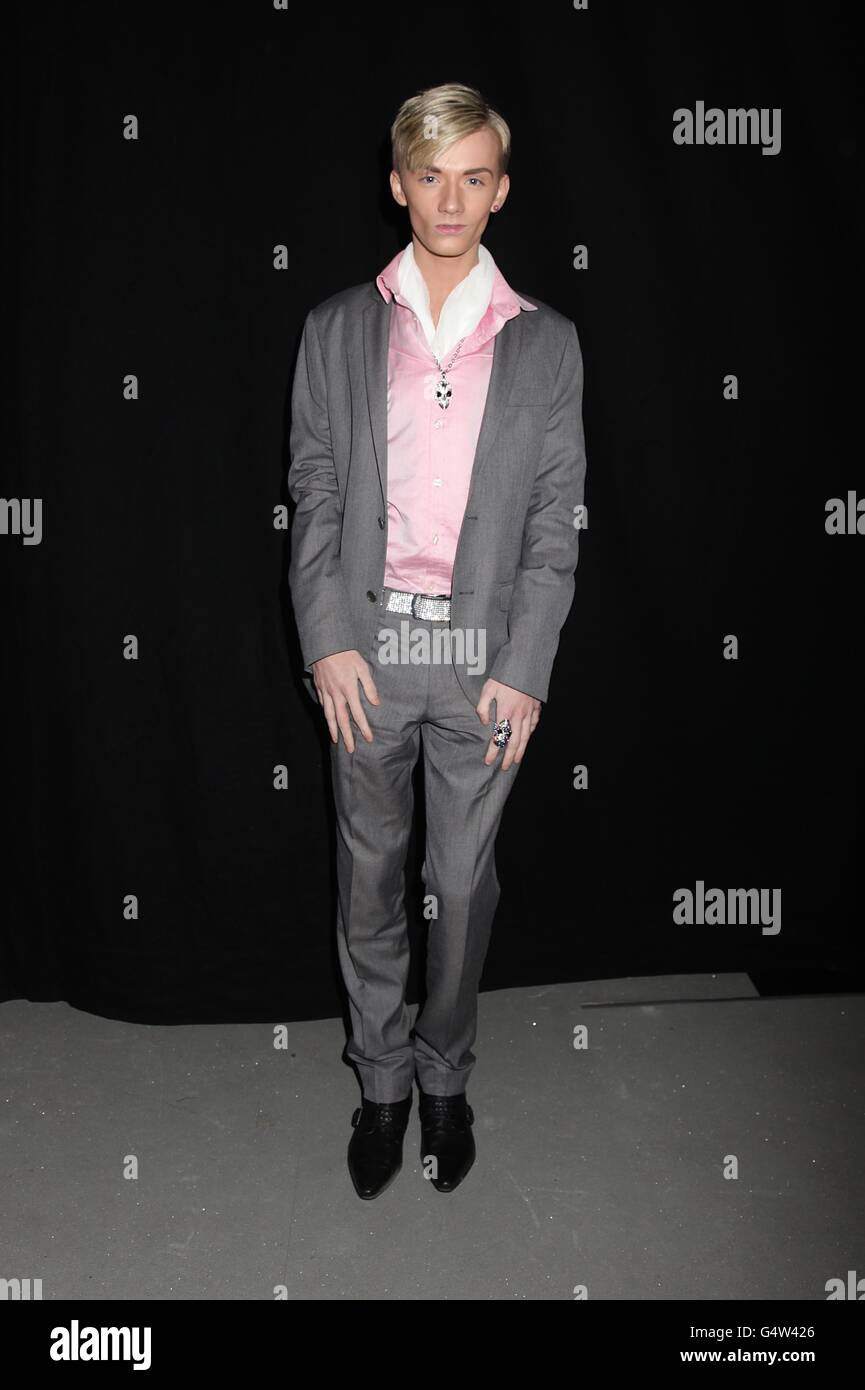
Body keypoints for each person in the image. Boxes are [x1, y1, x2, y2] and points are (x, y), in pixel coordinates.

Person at [287, 82, 587, 1199]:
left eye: (472, 176)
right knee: (369, 876)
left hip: (481, 661)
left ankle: (444, 1077)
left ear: (499, 191)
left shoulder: (547, 344)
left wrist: (524, 663)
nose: (448, 197)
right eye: (428, 174)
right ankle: (379, 1087)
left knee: (459, 885)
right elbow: (314, 490)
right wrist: (324, 637)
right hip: (366, 650)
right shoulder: (334, 327)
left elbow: (556, 520)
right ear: (397, 183)